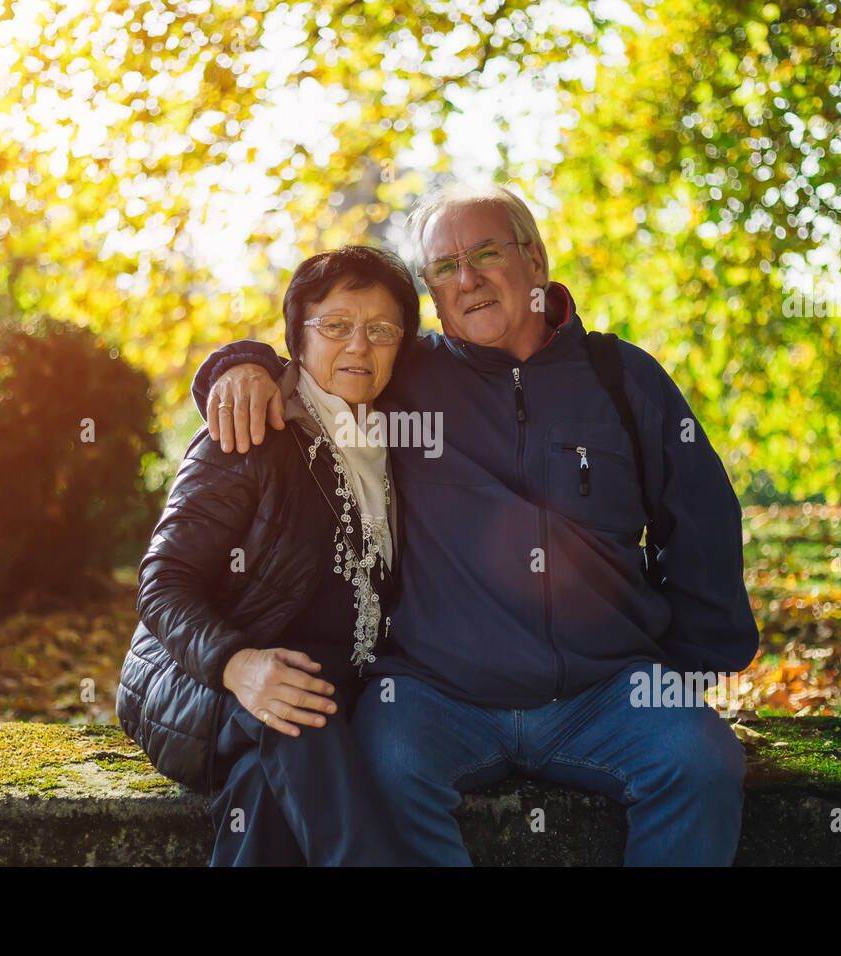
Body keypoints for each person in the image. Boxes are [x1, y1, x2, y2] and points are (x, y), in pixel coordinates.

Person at [192, 182, 761, 866]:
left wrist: (687, 673)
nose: (468, 279)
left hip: (606, 691)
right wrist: (238, 364)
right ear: (431, 290)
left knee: (702, 765)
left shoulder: (622, 378)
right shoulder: (404, 373)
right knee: (380, 765)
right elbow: (319, 358)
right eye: (444, 267)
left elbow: (703, 524)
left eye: (486, 253)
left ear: (537, 261)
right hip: (435, 694)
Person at [117, 245, 420, 865]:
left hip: (329, 698)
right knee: (298, 714)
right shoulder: (252, 429)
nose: (358, 347)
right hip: (202, 680)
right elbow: (162, 583)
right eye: (335, 326)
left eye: (380, 330)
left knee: (264, 783)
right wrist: (238, 665)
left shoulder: (404, 435)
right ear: (298, 339)